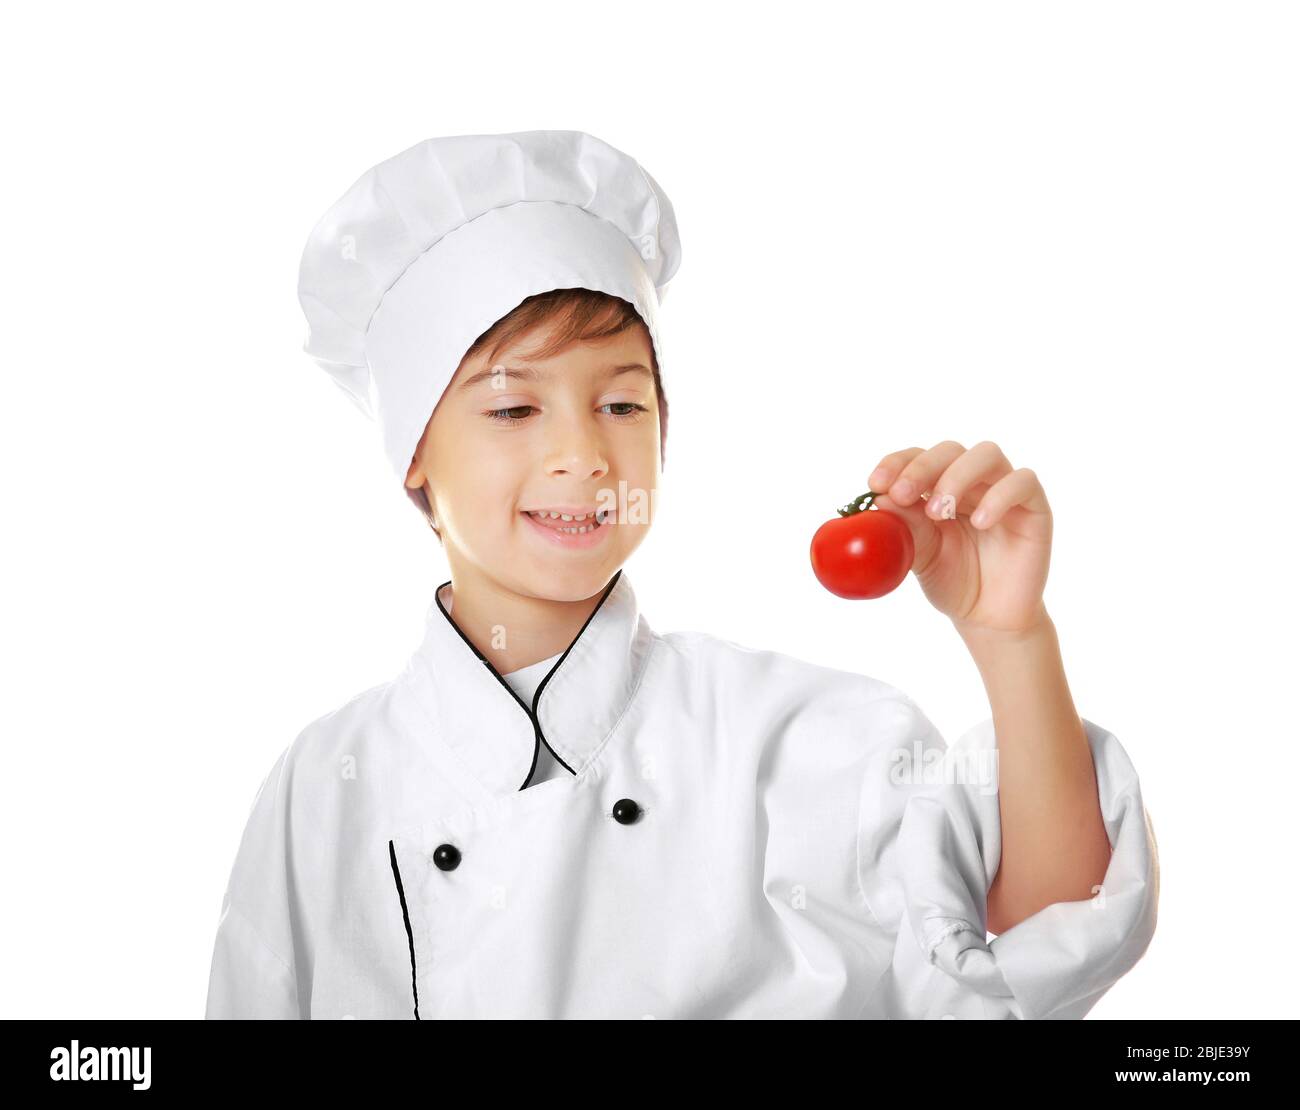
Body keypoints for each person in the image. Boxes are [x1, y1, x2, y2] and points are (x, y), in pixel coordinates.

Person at [204, 130, 1158, 1019]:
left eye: (621, 402)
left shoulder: (803, 738)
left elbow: (1042, 943)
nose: (582, 454)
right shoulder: (325, 786)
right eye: (512, 410)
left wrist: (1009, 638)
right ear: (413, 450)